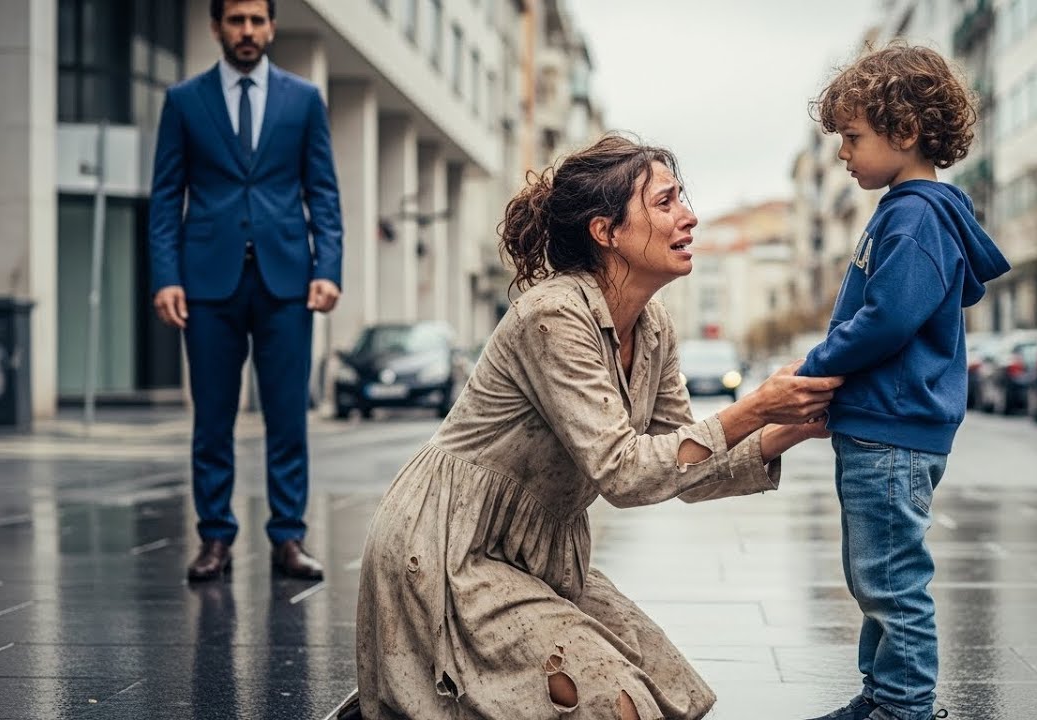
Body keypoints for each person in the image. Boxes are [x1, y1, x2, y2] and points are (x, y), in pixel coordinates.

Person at [343, 135, 843, 720]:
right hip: (453, 550)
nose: (689, 215)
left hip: (543, 552)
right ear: (606, 232)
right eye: (665, 202)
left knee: (670, 692)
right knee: (615, 703)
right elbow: (625, 473)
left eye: (682, 197)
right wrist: (756, 406)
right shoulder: (553, 315)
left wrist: (795, 424)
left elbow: (686, 465)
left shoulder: (653, 325)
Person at [797, 44, 1010, 720]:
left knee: (891, 579)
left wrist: (816, 365)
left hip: (892, 430)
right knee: (876, 575)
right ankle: (883, 694)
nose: (843, 154)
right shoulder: (906, 210)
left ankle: (906, 706)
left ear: (906, 132)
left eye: (853, 138)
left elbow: (886, 320)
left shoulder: (915, 216)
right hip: (883, 426)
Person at [148, 0, 343, 582]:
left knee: (288, 417)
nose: (248, 31)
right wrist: (166, 277)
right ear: (217, 27)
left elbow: (324, 194)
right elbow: (165, 198)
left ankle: (288, 538)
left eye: (257, 20)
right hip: (208, 282)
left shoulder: (303, 99)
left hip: (286, 281)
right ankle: (214, 538)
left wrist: (327, 267)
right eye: (236, 20)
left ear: (272, 26)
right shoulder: (184, 101)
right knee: (213, 419)